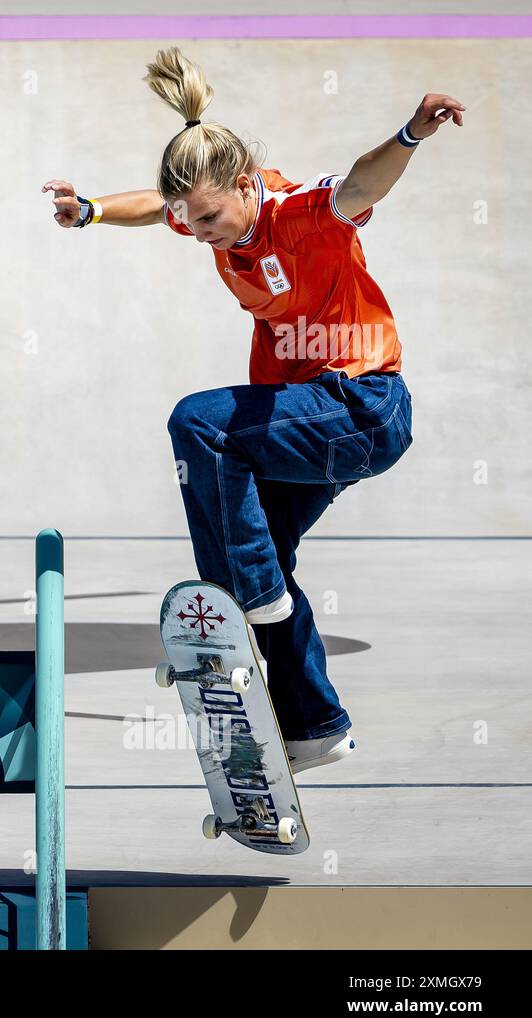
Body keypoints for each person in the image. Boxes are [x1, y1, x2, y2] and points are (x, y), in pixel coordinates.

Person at [42, 47, 464, 774]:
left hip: (361, 404)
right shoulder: (211, 216)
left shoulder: (301, 214)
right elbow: (158, 206)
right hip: (306, 423)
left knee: (199, 424)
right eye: (191, 223)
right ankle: (314, 723)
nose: (202, 234)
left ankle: (250, 599)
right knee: (262, 546)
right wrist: (93, 213)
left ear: (244, 186)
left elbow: (364, 182)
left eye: (209, 218)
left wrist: (411, 135)